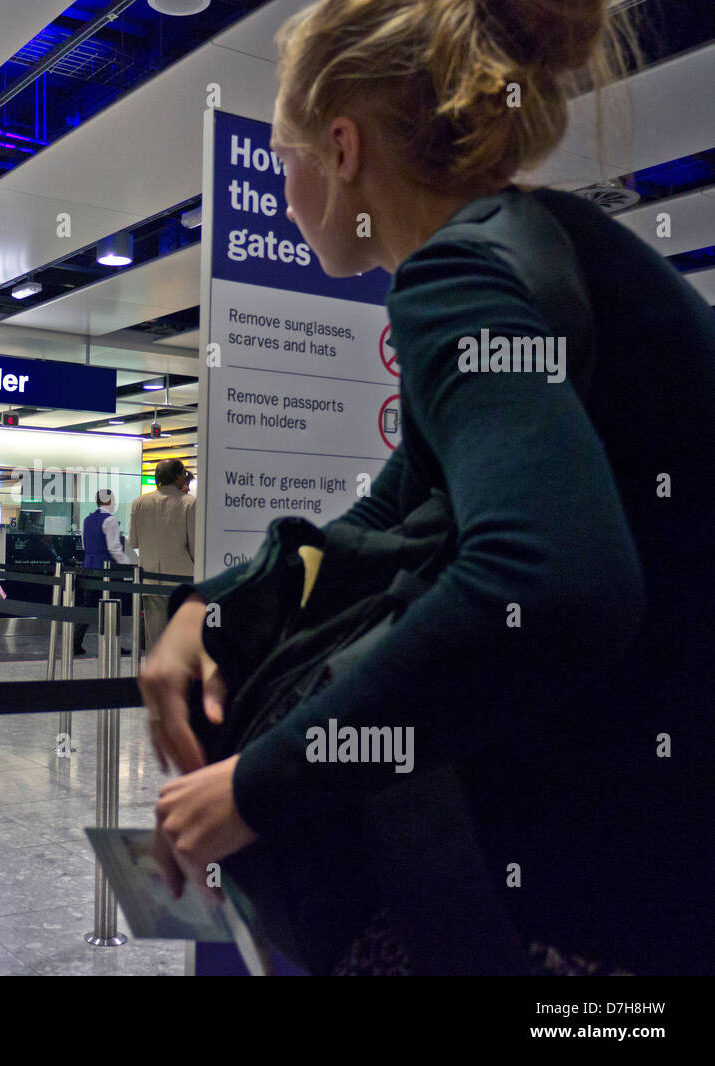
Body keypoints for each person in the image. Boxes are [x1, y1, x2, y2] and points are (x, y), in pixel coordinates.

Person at [141, 0, 715, 976]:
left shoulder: (458, 276)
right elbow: (393, 509)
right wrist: (217, 604)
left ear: (342, 145)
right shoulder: (551, 245)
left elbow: (551, 582)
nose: (281, 190)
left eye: (286, 157)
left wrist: (257, 788)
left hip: (595, 921)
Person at [127, 458, 195, 649]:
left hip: (149, 577)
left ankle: (155, 672)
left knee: (154, 635)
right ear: (176, 477)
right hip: (181, 578)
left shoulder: (139, 502)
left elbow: (134, 541)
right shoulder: (190, 503)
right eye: (183, 473)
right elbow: (195, 546)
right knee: (180, 636)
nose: (184, 477)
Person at [74, 488, 130, 656]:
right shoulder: (110, 520)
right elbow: (114, 548)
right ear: (110, 500)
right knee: (111, 607)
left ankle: (75, 642)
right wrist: (126, 564)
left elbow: (85, 545)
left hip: (89, 567)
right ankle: (113, 645)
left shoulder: (88, 519)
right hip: (107, 570)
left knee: (88, 607)